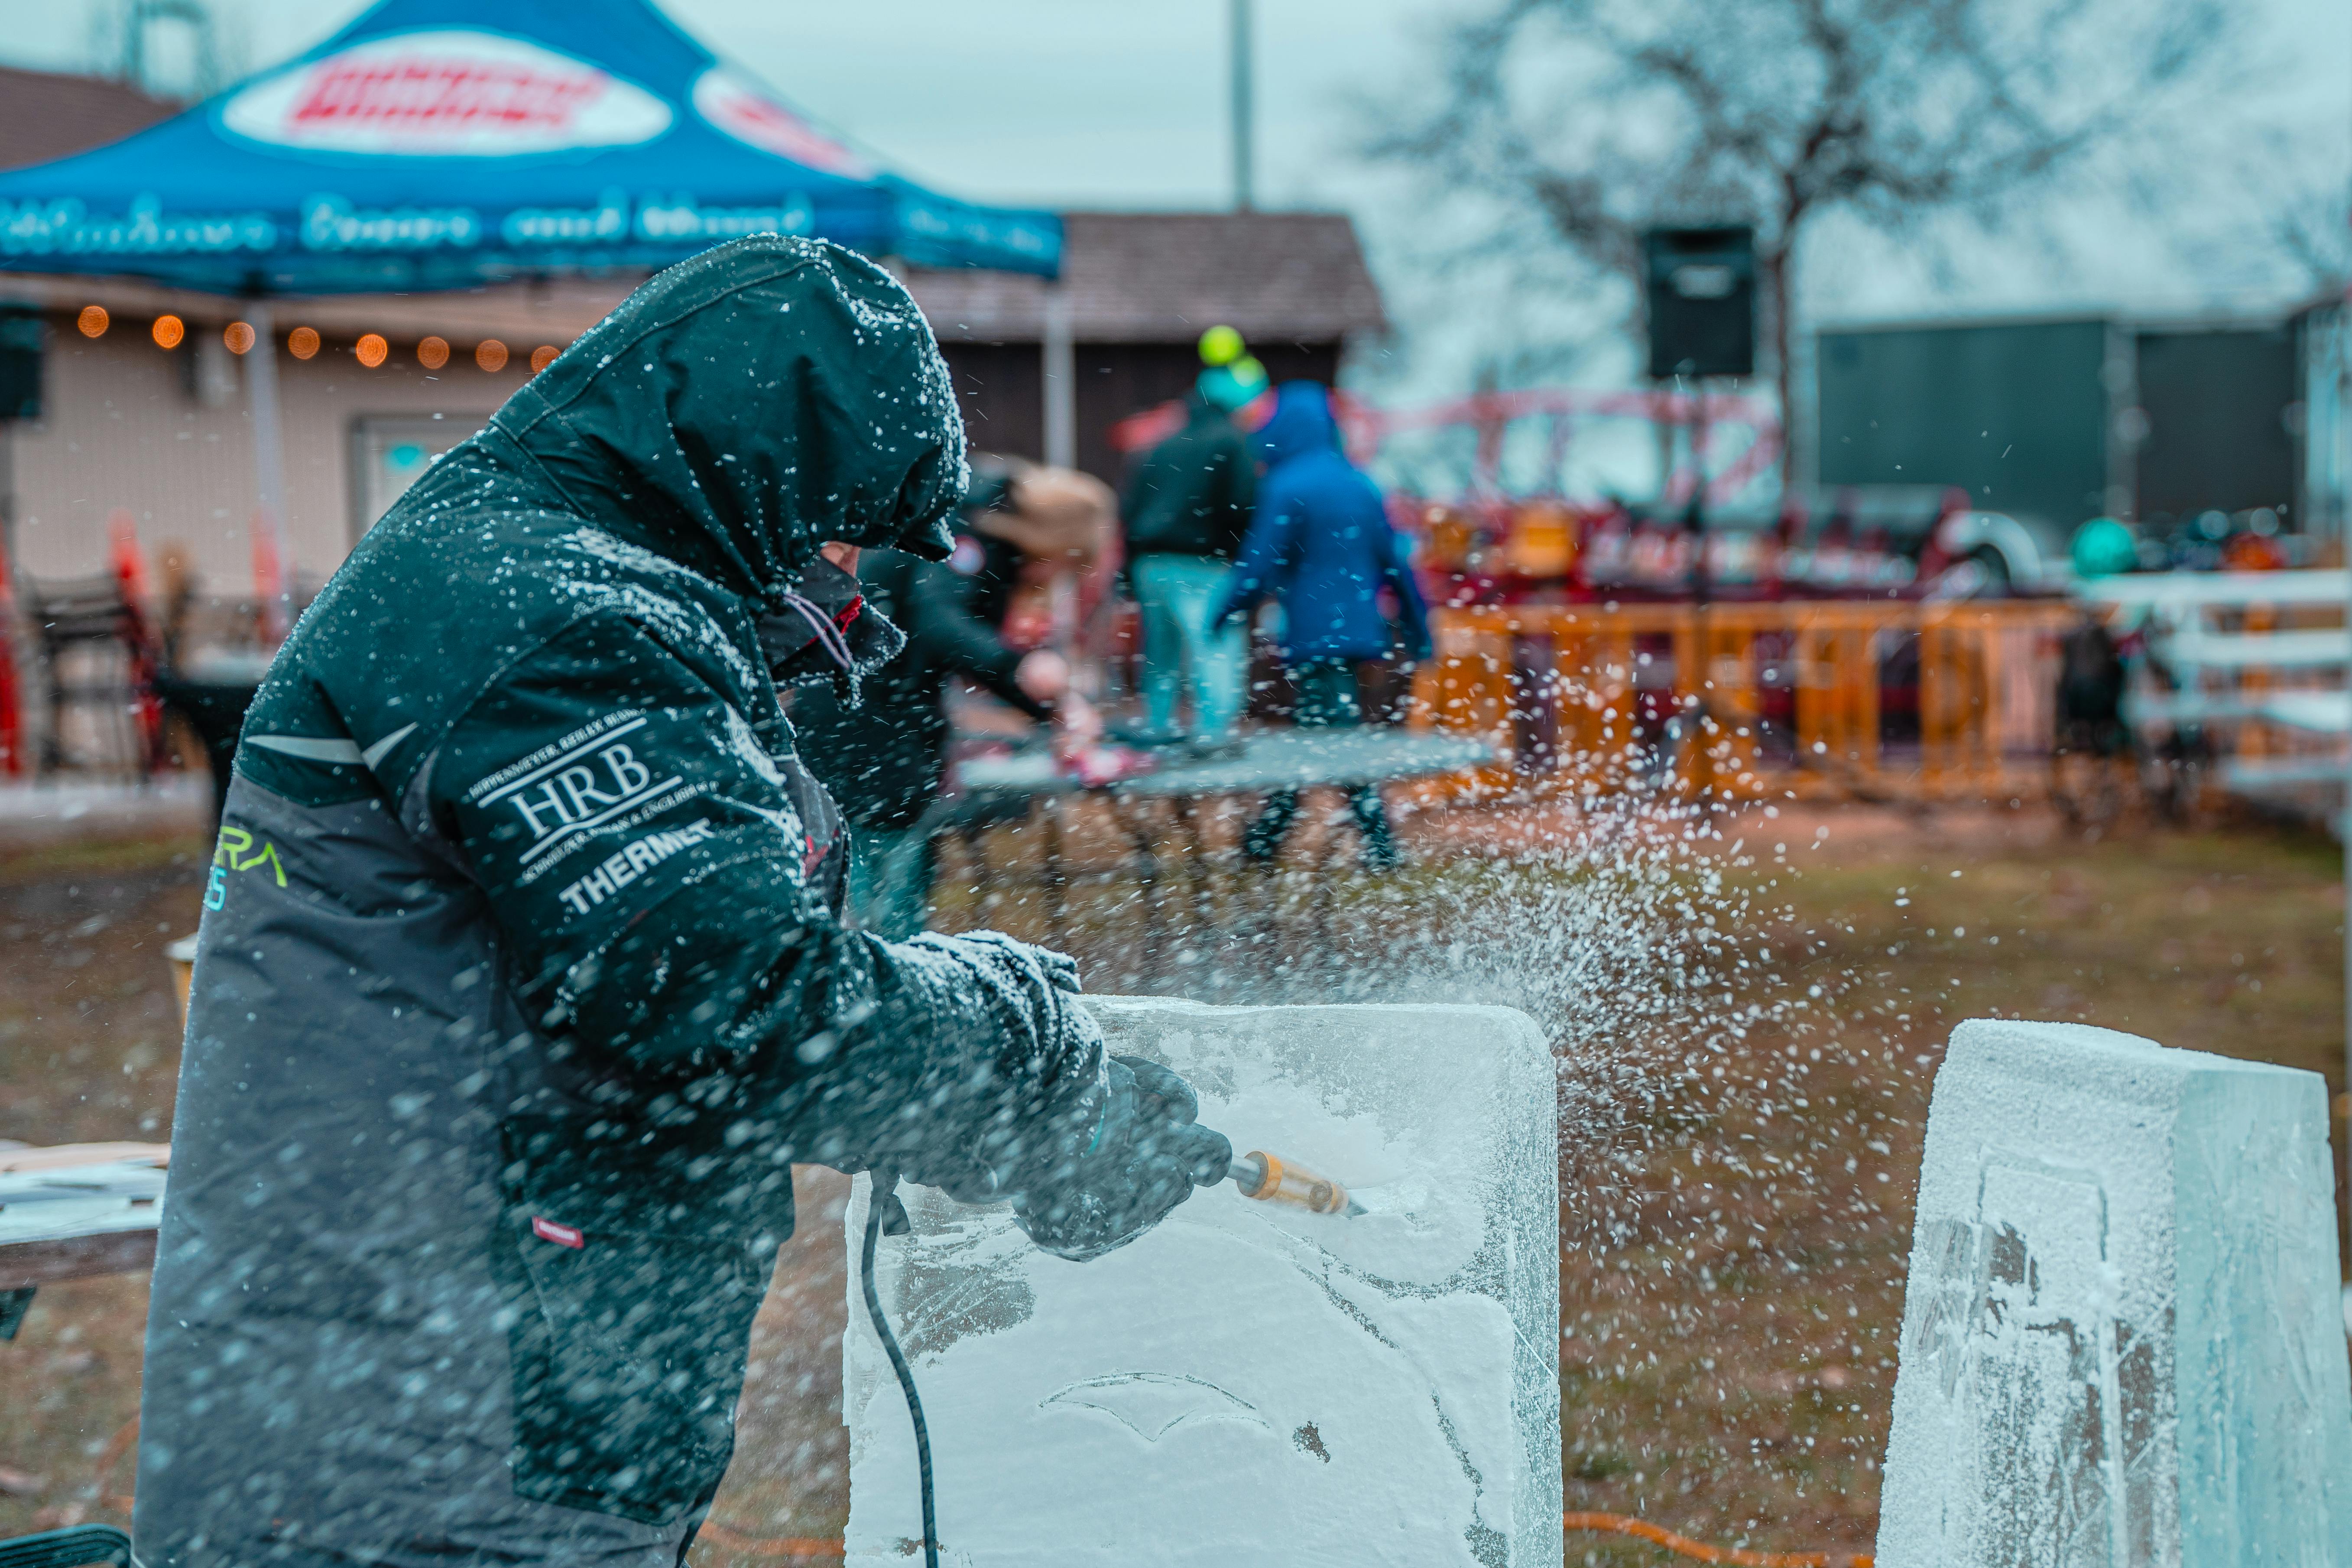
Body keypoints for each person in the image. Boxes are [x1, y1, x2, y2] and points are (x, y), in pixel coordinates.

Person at [133, 237, 1230, 1568]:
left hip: (470, 1388)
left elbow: (682, 971)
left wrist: (1006, 1102)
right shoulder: (551, 621)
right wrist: (1027, 1071)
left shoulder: (560, 576)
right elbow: (733, 1005)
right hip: (427, 1435)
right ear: (753, 465)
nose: (848, 584)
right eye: (845, 530)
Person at [793, 455, 1109, 938]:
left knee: (891, 886)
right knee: (879, 900)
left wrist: (1052, 710)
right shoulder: (958, 539)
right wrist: (1021, 668)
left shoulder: (978, 537)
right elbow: (940, 627)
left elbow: (966, 648)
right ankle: (880, 991)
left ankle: (881, 977)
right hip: (862, 732)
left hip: (883, 729)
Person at [1211, 381, 1431, 870]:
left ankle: (1373, 844)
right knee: (1322, 730)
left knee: (1335, 736)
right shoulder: (1359, 482)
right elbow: (1396, 563)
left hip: (1314, 634)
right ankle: (1272, 833)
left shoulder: (1287, 484)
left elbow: (1259, 562)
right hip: (1358, 631)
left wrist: (1223, 610)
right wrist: (1419, 629)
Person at [1119, 328, 1267, 750]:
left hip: (1149, 563)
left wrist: (1129, 571)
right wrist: (1239, 556)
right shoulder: (1233, 442)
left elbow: (1129, 509)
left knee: (1162, 654)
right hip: (1201, 562)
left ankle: (1158, 727)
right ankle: (1213, 735)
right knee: (1214, 648)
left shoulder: (1163, 444)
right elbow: (1242, 506)